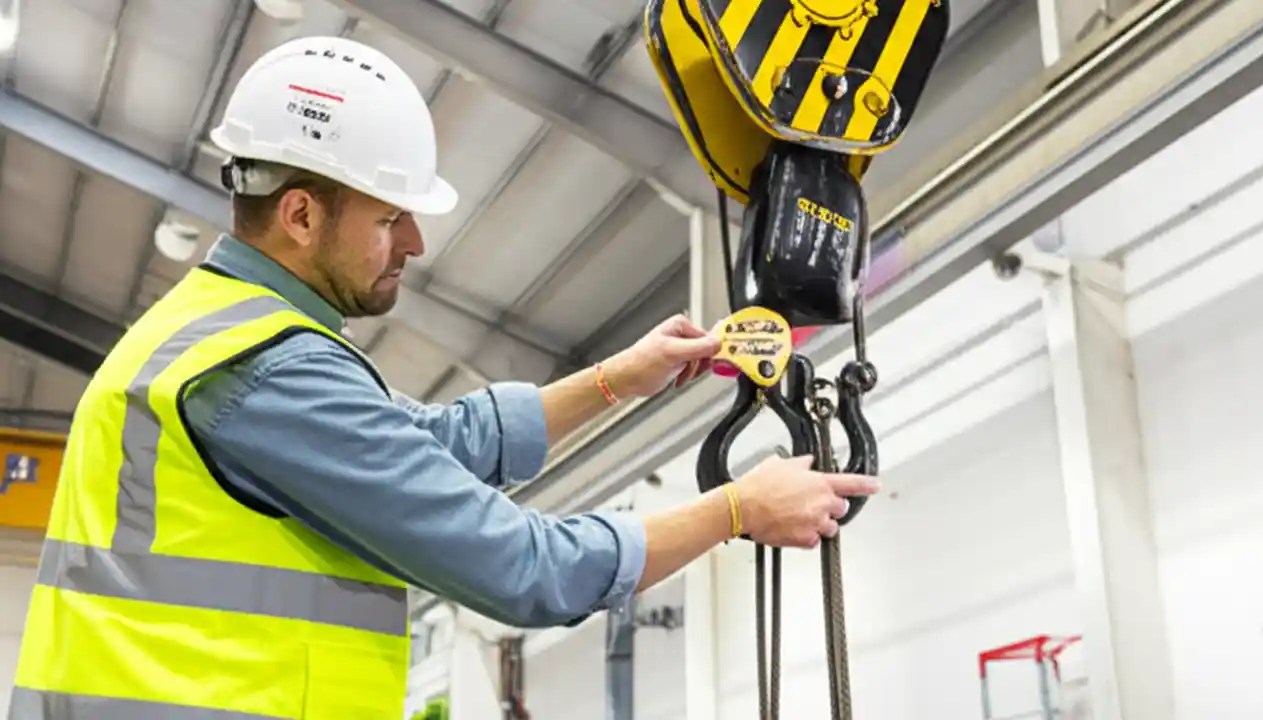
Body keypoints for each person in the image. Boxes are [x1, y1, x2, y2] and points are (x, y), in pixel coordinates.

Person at [6, 36, 879, 720]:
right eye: (392, 217)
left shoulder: (216, 329)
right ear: (301, 214)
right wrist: (736, 511)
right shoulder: (268, 372)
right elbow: (525, 568)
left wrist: (616, 379)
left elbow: (427, 445)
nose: (415, 245)